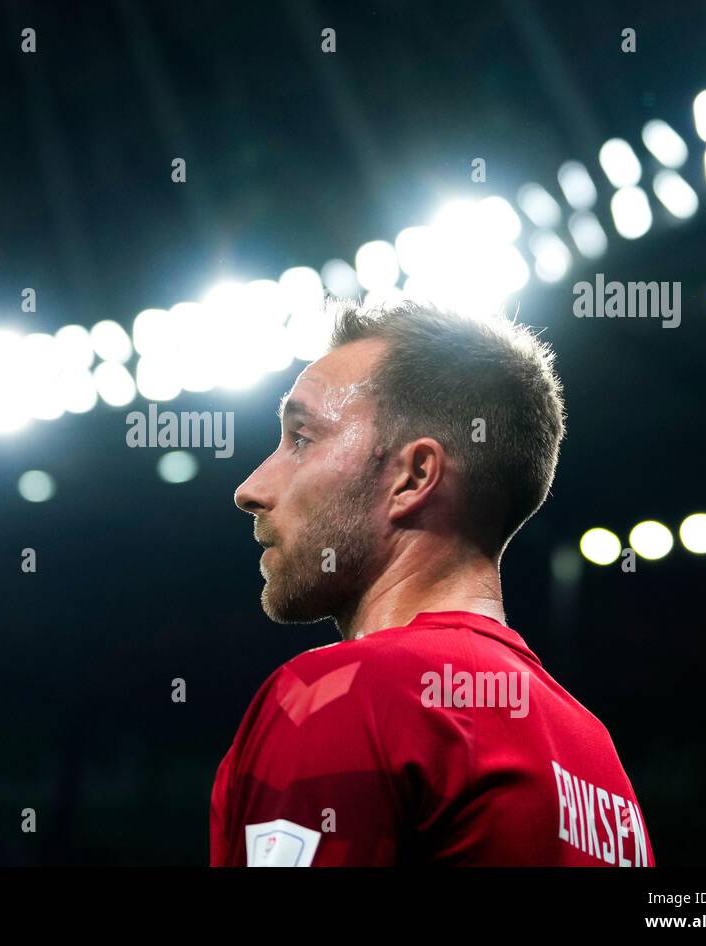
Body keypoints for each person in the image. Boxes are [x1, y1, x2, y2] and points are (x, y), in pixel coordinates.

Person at [211, 299, 654, 866]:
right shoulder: (594, 757)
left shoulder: (339, 696)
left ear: (414, 476)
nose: (250, 488)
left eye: (302, 438)